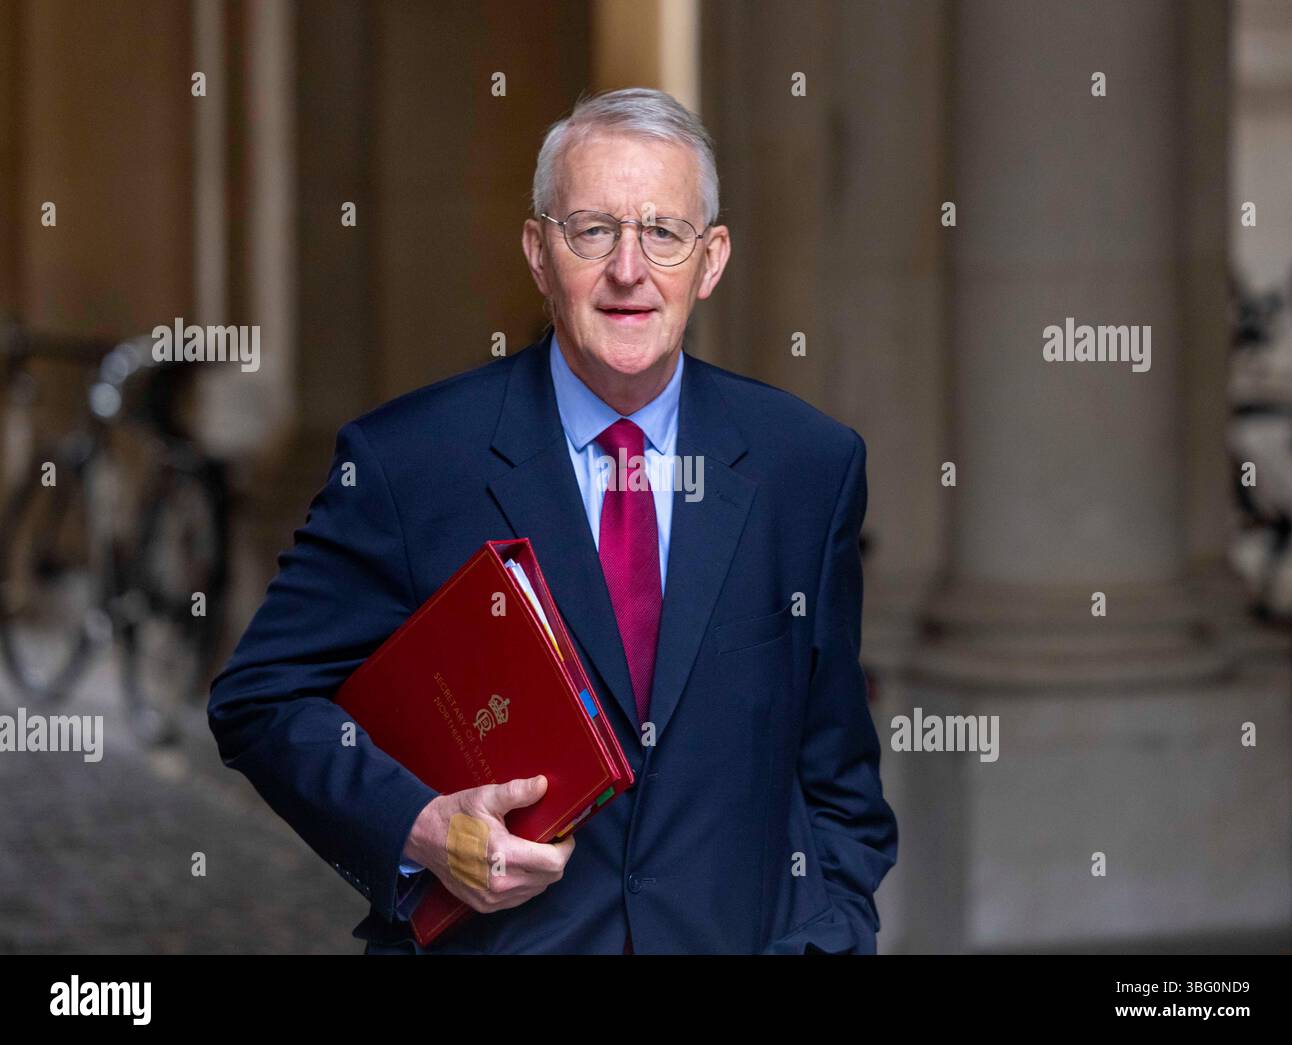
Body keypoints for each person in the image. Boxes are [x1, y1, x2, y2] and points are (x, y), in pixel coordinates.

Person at [207, 87, 897, 954]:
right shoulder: (410, 463)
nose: (628, 269)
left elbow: (835, 774)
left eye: (664, 232)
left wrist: (830, 936)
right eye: (592, 229)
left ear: (711, 259)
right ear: (538, 252)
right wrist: (421, 827)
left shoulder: (808, 466)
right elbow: (260, 699)